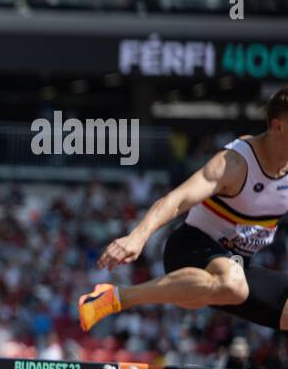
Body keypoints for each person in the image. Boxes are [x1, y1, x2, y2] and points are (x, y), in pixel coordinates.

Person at [80, 87, 288, 332]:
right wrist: (137, 237)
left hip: (237, 264)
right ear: (278, 127)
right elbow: (177, 200)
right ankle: (116, 298)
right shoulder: (235, 164)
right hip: (191, 250)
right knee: (233, 284)